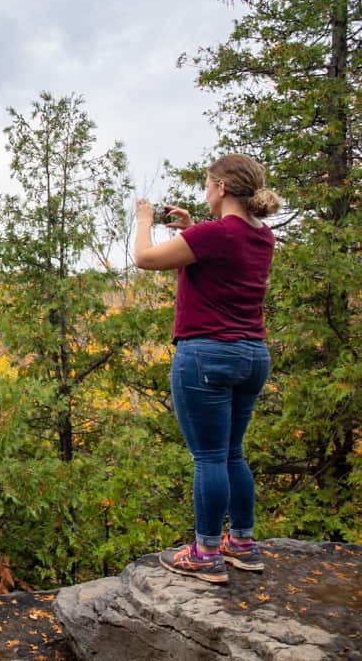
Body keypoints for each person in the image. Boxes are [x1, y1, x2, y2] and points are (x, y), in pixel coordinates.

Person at [134, 153, 281, 584]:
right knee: (233, 453)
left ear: (220, 188)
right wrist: (189, 227)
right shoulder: (262, 235)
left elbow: (145, 258)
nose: (205, 192)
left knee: (210, 457)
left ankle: (205, 553)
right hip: (252, 355)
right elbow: (220, 253)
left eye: (207, 185)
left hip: (207, 355)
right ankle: (243, 544)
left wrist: (143, 219)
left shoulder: (214, 235)